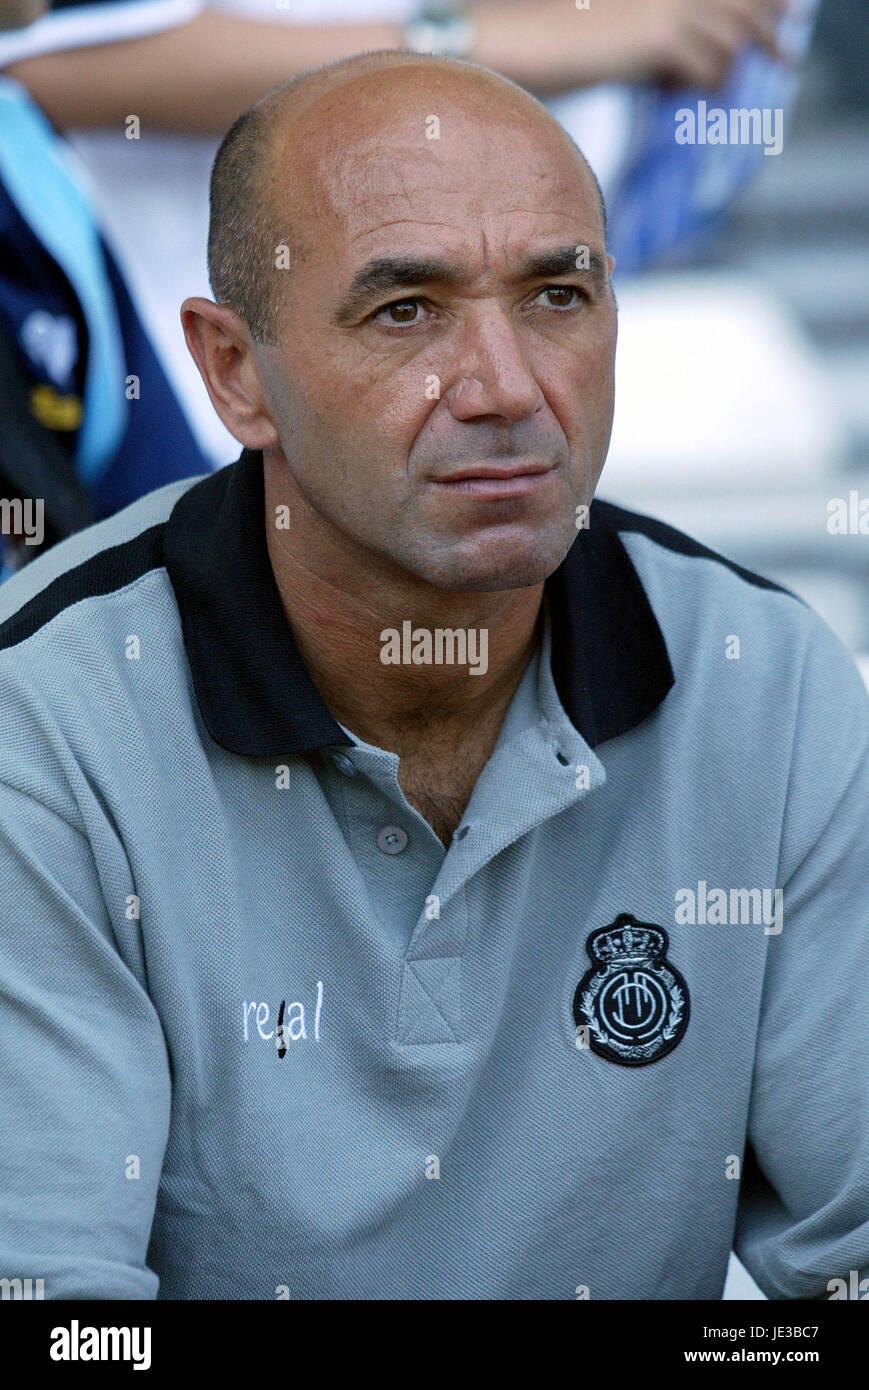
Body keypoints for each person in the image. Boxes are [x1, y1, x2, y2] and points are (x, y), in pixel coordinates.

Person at [1, 49, 866, 1301]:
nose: (507, 387)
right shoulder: (50, 724)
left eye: (557, 296)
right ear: (235, 372)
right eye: (404, 310)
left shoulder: (764, 687)